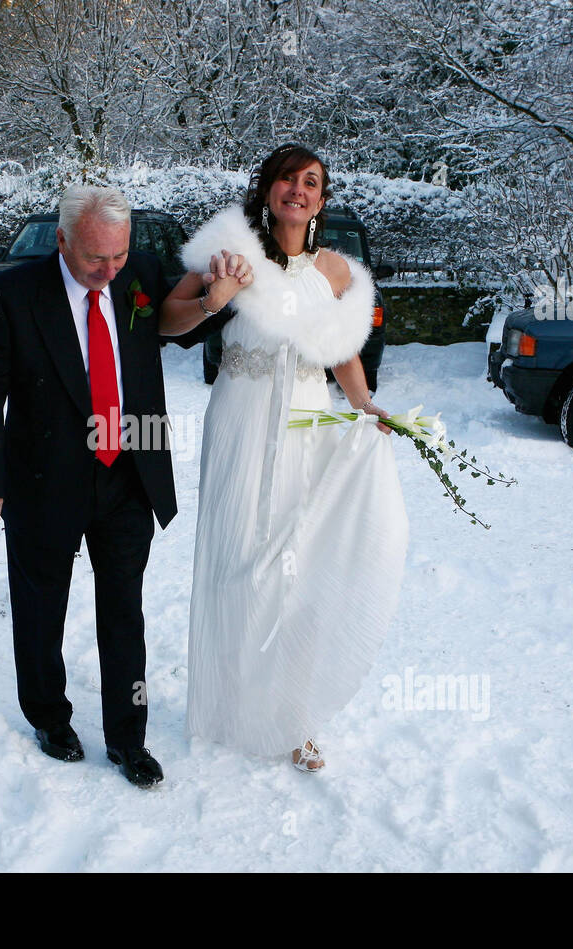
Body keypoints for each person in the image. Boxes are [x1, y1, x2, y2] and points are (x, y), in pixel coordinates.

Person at [159, 144, 410, 772]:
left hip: (305, 424)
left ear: (321, 200)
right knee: (236, 560)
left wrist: (366, 407)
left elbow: (344, 352)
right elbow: (165, 320)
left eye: (312, 183)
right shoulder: (230, 247)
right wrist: (216, 298)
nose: (298, 190)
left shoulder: (335, 274)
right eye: (288, 179)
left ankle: (293, 717)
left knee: (293, 573)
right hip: (240, 422)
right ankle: (224, 706)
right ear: (268, 188)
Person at [0, 185, 186, 788]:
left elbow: (183, 329)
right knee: (41, 608)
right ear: (62, 241)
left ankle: (129, 738)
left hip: (128, 471)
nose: (109, 271)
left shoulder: (138, 274)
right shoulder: (11, 294)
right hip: (42, 477)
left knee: (124, 612)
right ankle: (49, 717)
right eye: (95, 260)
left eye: (118, 257)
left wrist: (222, 285)